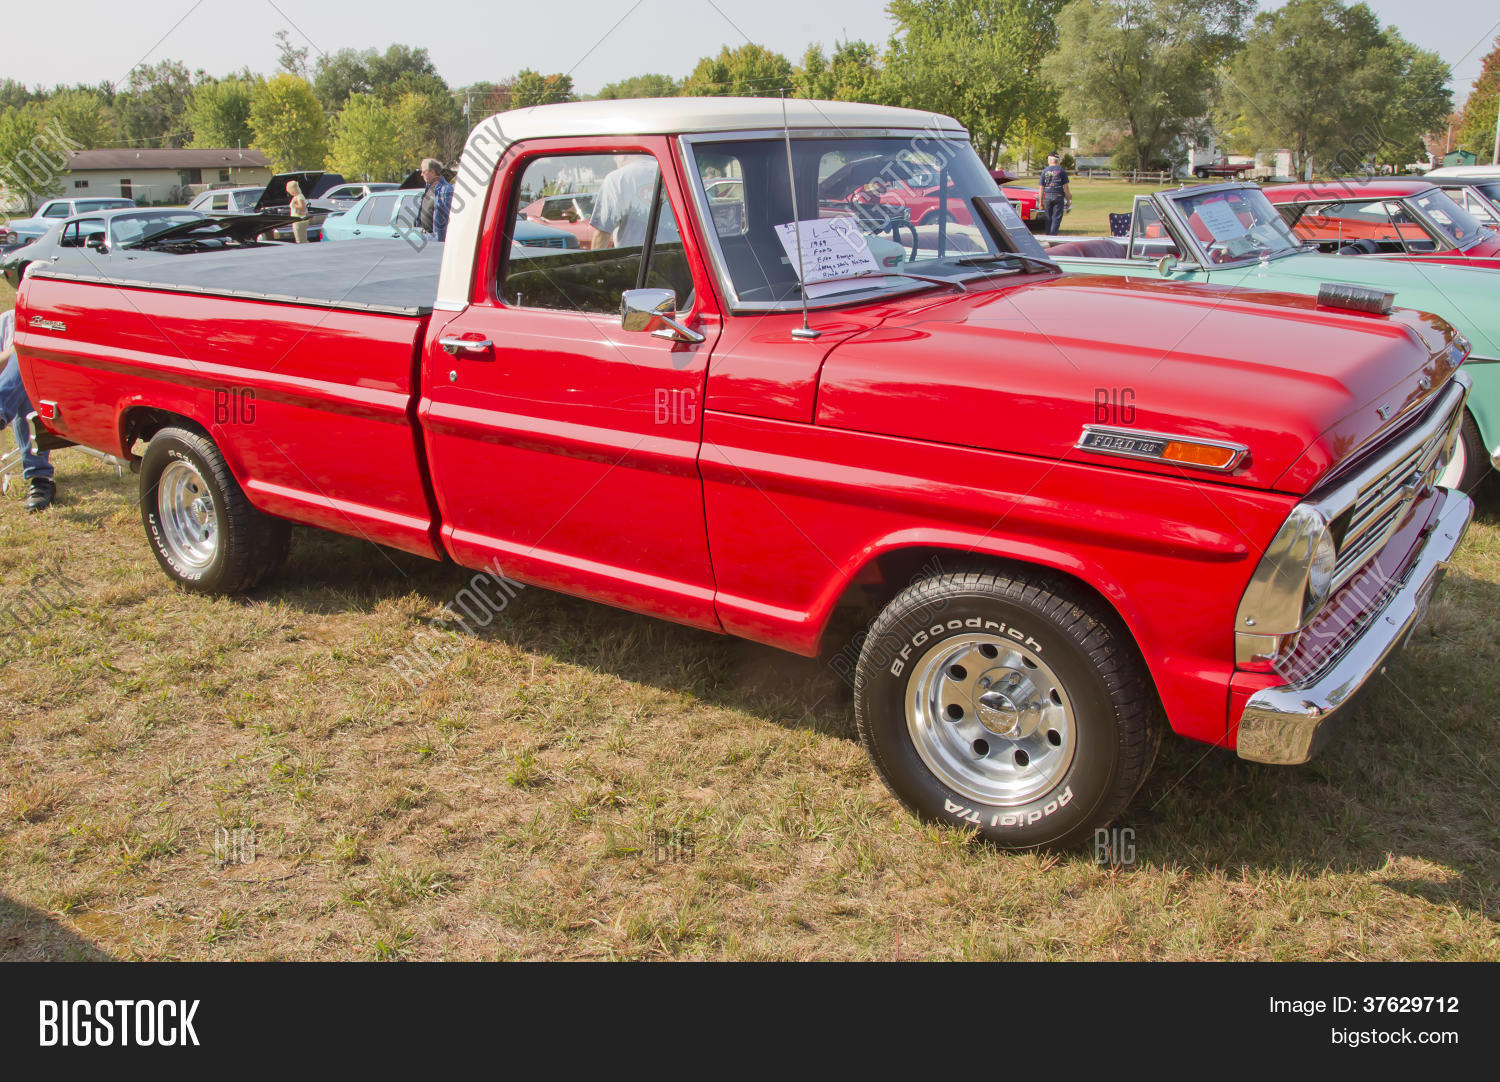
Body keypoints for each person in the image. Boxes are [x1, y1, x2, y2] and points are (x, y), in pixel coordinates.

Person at [0, 308, 55, 512]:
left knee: (26, 359)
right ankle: (39, 479)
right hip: (30, 390)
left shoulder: (61, 314)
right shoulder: (7, 320)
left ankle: (39, 477)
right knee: (25, 372)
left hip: (61, 386)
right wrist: (17, 349)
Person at [589, 154, 661, 249]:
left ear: (622, 156)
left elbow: (602, 234)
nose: (617, 165)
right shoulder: (672, 173)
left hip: (634, 260)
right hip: (678, 257)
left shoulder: (615, 179)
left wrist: (596, 262)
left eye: (615, 159)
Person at [417, 158, 454, 242]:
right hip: (426, 236)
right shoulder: (428, 188)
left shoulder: (446, 189)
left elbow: (450, 217)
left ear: (432, 172)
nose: (421, 174)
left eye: (423, 171)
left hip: (438, 238)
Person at [1039, 153, 1071, 235]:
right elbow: (1066, 187)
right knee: (1056, 218)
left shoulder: (1044, 171)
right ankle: (1053, 236)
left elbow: (1041, 188)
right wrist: (1068, 200)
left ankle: (1048, 236)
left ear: (1050, 160)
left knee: (1048, 218)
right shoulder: (1062, 171)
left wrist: (1040, 202)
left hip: (1048, 196)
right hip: (1058, 196)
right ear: (1057, 161)